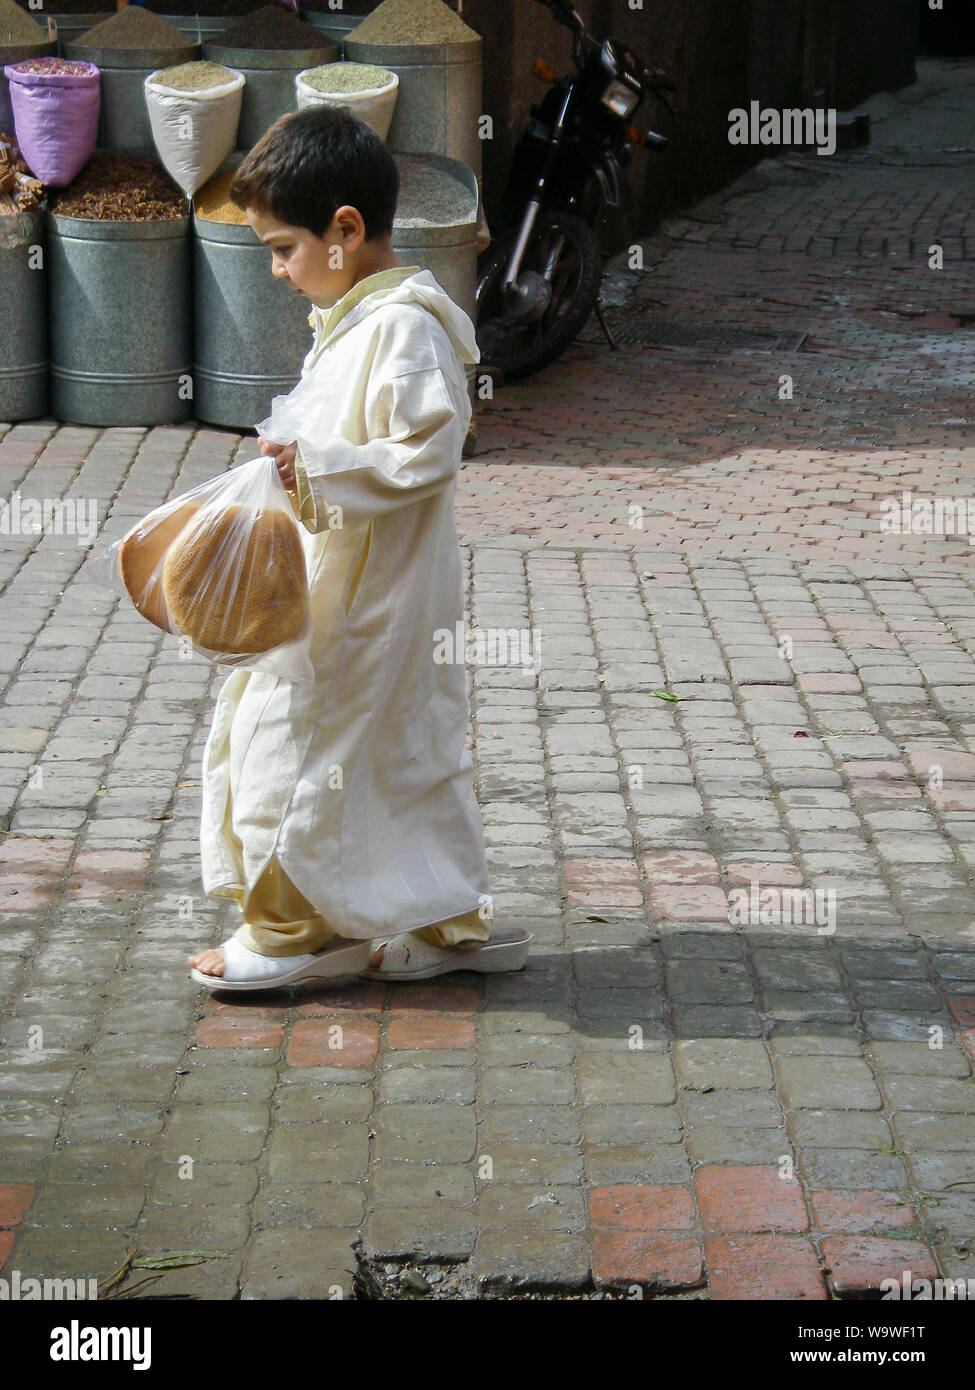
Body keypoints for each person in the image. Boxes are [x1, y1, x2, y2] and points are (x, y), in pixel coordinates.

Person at [187, 108, 531, 993]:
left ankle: (297, 931)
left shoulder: (402, 327)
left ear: (344, 230)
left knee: (301, 743)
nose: (275, 270)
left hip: (373, 592)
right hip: (356, 579)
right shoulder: (354, 319)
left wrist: (318, 466)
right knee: (393, 748)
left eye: (281, 248)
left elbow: (428, 446)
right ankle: (435, 919)